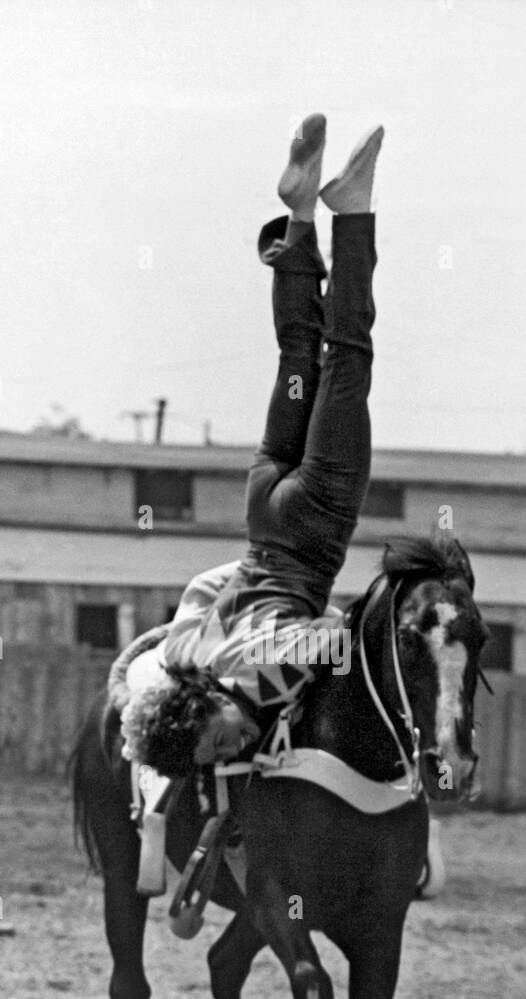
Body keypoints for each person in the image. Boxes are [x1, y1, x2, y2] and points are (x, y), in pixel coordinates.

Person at [123, 114, 383, 776]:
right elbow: (206, 581)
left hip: (314, 523)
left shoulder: (256, 675)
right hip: (262, 508)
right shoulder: (190, 649)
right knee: (297, 352)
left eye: (217, 746)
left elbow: (335, 641)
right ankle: (299, 215)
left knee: (346, 355)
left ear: (202, 718)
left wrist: (324, 623)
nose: (234, 752)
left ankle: (351, 210)